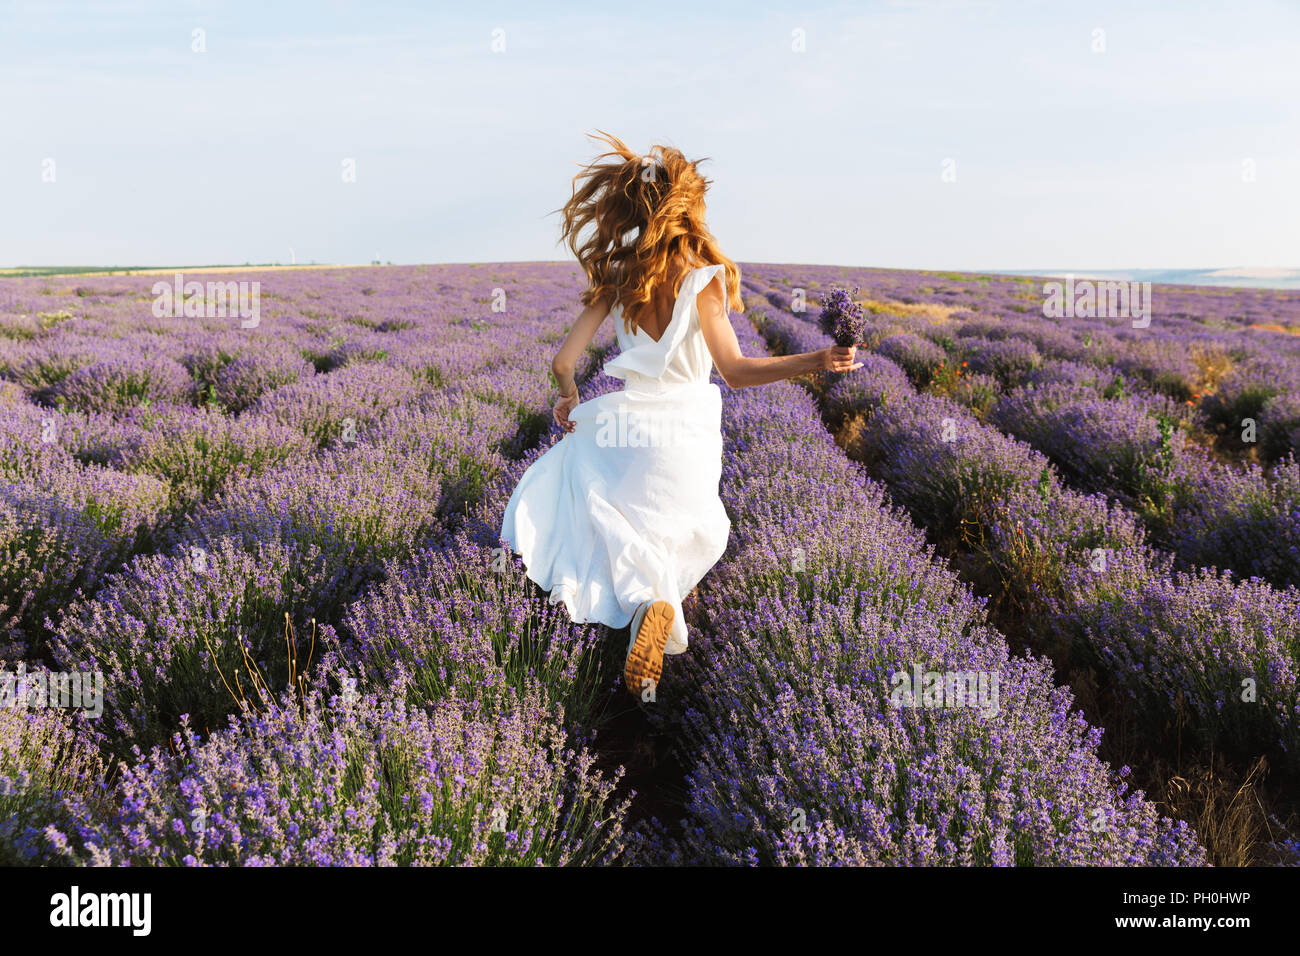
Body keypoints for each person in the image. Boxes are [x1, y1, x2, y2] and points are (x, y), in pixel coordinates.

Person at [501, 132, 860, 697]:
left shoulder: (617, 275)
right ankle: (659, 608)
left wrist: (570, 400)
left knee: (597, 511)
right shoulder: (703, 280)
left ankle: (644, 607)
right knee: (672, 533)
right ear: (688, 206)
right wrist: (817, 358)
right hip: (685, 434)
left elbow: (563, 360)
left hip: (623, 426)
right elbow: (736, 370)